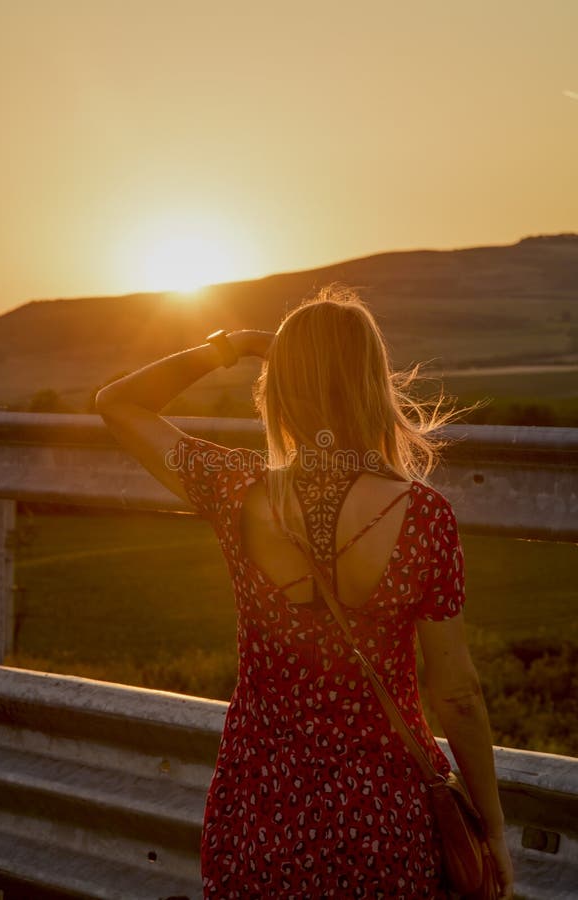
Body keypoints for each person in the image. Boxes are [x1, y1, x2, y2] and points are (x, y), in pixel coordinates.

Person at [96, 286, 514, 899]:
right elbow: (457, 691)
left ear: (279, 389)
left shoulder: (237, 488)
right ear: (374, 384)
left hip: (259, 806)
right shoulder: (426, 516)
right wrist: (494, 830)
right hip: (384, 815)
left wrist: (232, 348)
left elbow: (118, 404)